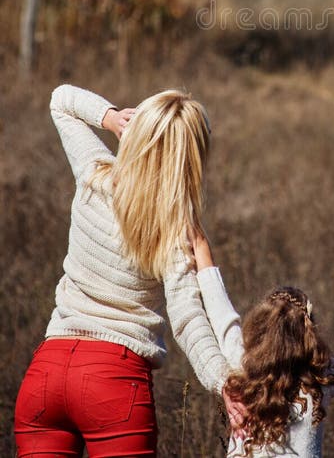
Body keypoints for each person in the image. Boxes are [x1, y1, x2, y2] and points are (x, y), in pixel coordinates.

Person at [14, 84, 231, 458]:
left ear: (138, 131)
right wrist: (226, 383)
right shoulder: (176, 228)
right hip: (114, 383)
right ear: (192, 158)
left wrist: (111, 117)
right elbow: (187, 320)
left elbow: (62, 101)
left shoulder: (93, 174)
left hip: (45, 374)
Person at [191, 232, 334, 457]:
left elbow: (218, 307)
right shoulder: (319, 379)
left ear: (259, 327)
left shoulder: (240, 362)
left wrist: (200, 244)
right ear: (309, 333)